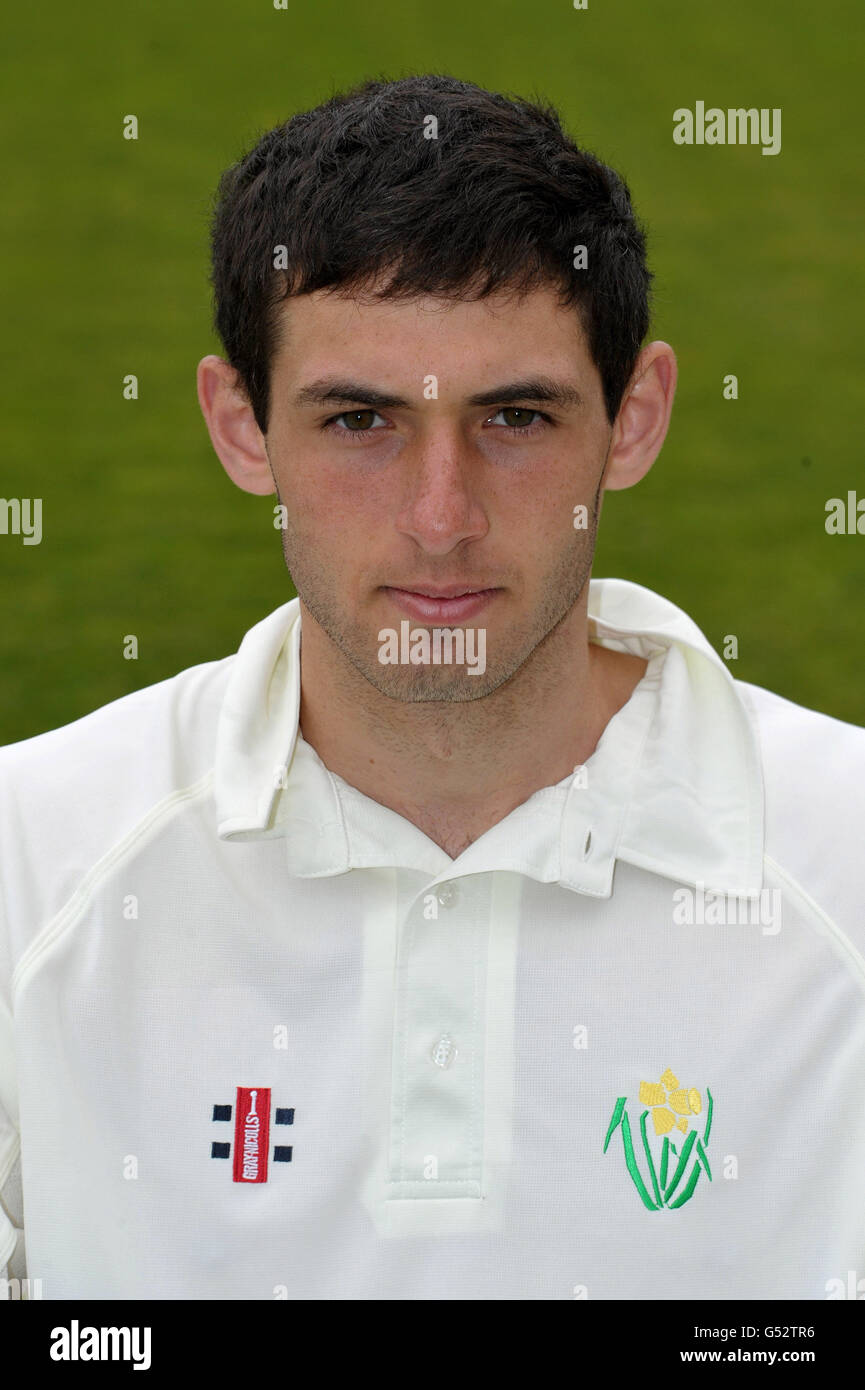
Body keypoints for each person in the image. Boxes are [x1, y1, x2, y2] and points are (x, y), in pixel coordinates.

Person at [1, 74, 863, 1302]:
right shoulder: (28, 858)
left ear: (632, 417)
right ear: (242, 429)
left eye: (514, 416)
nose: (441, 518)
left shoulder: (847, 867)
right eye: (360, 421)